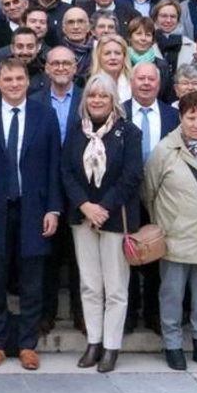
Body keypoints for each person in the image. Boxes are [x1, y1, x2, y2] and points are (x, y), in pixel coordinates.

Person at [0, 59, 62, 371]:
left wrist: (53, 208)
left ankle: (27, 344)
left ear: (28, 81)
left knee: (32, 282)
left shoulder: (44, 115)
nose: (14, 84)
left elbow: (54, 164)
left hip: (34, 208)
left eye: (19, 79)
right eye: (8, 79)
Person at [143, 91, 197, 371]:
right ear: (181, 118)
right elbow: (149, 191)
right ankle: (172, 344)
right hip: (174, 238)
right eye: (190, 118)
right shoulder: (164, 150)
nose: (196, 124)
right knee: (171, 294)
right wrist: (165, 222)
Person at [61, 73, 143, 373]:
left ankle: (111, 346)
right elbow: (66, 172)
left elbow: (132, 176)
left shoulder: (129, 132)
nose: (97, 100)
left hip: (115, 217)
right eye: (92, 95)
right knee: (90, 285)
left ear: (113, 100)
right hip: (82, 217)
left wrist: (103, 208)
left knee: (116, 287)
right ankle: (93, 342)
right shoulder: (76, 131)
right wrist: (85, 205)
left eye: (103, 95)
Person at [29, 45, 84, 334]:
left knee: (80, 258)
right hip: (44, 189)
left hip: (82, 190)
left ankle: (81, 314)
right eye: (55, 63)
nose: (61, 68)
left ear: (76, 68)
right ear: (47, 69)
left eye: (66, 63)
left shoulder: (90, 98)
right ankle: (45, 314)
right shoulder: (34, 101)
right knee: (46, 258)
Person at [123, 60, 179, 335]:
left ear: (159, 84)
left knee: (159, 256)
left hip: (162, 197)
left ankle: (154, 314)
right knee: (127, 254)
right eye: (141, 78)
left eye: (151, 79)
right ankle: (129, 313)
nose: (146, 83)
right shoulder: (118, 111)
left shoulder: (173, 116)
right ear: (132, 82)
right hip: (127, 196)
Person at [153, 0, 196, 72]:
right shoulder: (147, 44)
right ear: (156, 18)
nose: (168, 20)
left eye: (173, 16)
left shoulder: (192, 46)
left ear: (178, 20)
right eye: (164, 16)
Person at [90, 34, 132, 104]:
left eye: (117, 53)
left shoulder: (133, 83)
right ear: (99, 57)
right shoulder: (88, 84)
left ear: (124, 57)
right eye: (107, 53)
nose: (113, 57)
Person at [59, 6, 94, 78]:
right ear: (64, 28)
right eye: (71, 22)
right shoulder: (57, 52)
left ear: (88, 27)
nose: (76, 27)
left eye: (80, 22)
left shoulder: (98, 51)